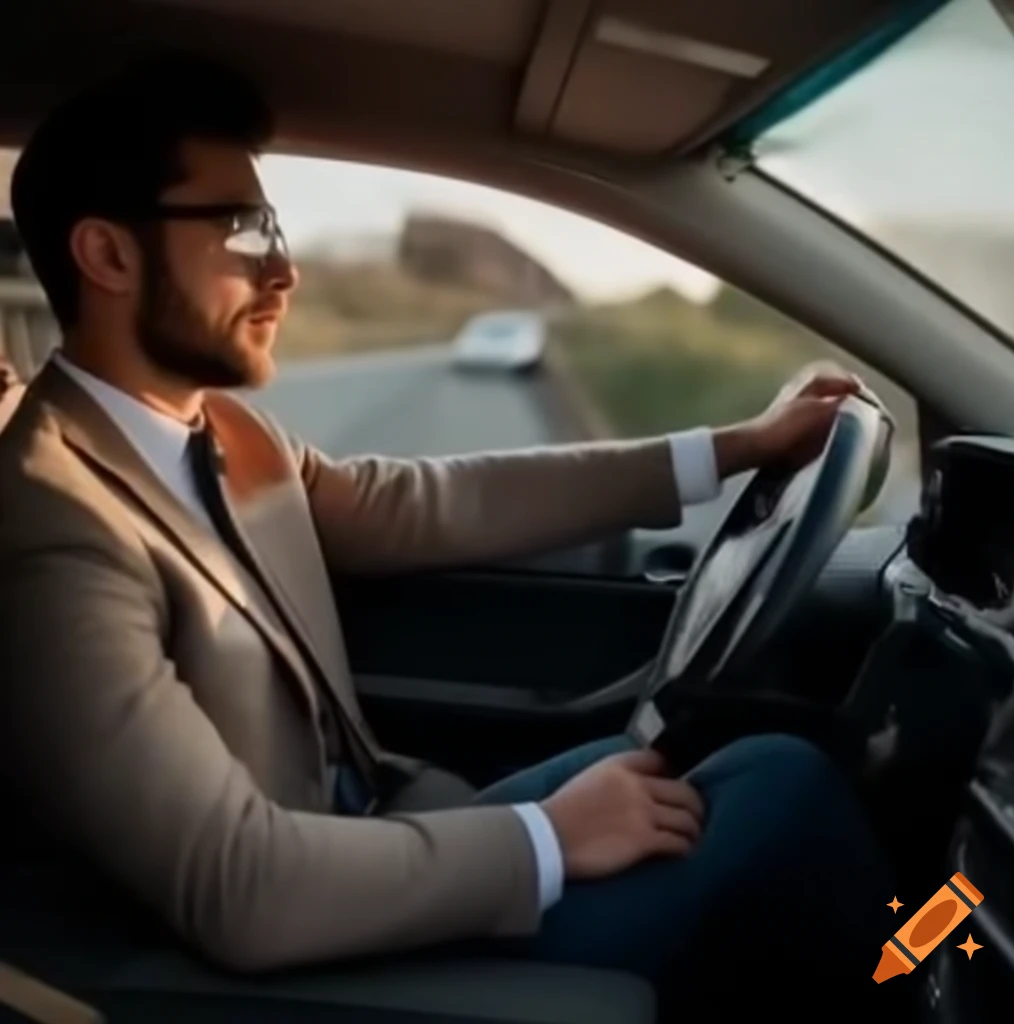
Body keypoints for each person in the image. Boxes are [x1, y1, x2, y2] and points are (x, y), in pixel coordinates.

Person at [0, 55, 894, 1016]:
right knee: (786, 798)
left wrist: (730, 449)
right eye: (241, 229)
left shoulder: (219, 429)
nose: (284, 268)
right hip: (293, 952)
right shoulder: (47, 524)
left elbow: (428, 502)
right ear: (109, 256)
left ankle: (935, 957)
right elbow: (237, 889)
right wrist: (548, 838)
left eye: (276, 228)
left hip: (381, 843)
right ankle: (945, 972)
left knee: (761, 765)